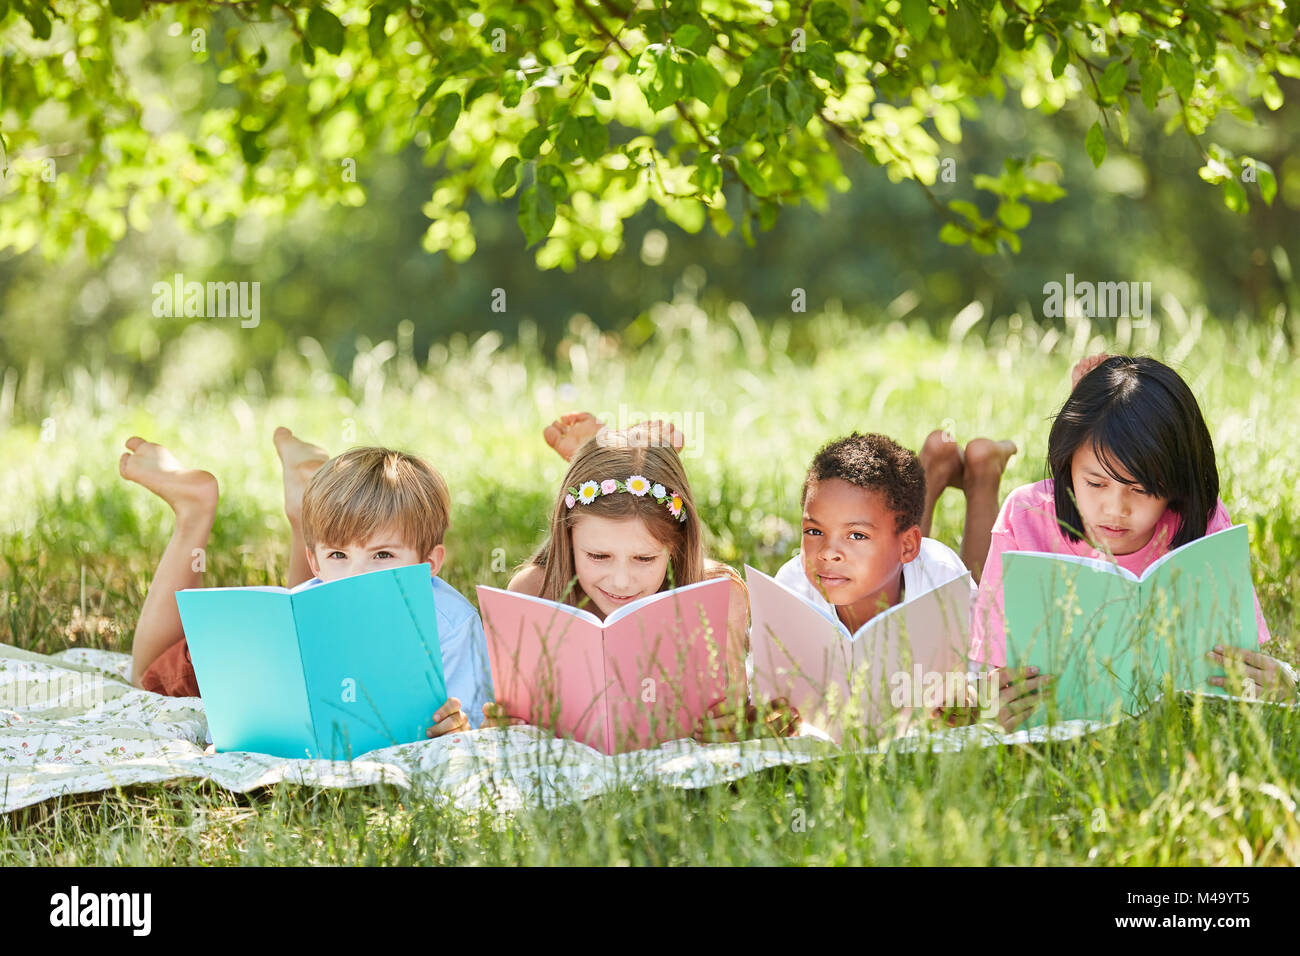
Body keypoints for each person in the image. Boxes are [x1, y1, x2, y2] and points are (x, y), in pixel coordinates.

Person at [970, 355, 1292, 732]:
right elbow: (988, 671)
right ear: (1066, 463)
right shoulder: (1026, 516)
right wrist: (992, 706)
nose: (1115, 509)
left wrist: (1280, 687)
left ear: (1176, 483)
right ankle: (982, 476)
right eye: (1095, 483)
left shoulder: (1201, 519)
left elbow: (1244, 661)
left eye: (1141, 489)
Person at [123, 434, 491, 739]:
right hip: (254, 647)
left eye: (382, 556)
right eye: (337, 556)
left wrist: (456, 726)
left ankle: (304, 506)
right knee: (145, 680)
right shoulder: (302, 604)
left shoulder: (454, 625)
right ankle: (194, 511)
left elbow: (469, 723)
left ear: (428, 564)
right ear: (314, 564)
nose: (355, 576)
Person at [483, 416, 799, 741]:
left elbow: (732, 716)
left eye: (644, 558)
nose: (621, 582)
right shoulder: (534, 592)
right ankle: (609, 453)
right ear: (567, 538)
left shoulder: (719, 597)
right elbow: (512, 718)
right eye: (598, 556)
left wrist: (735, 727)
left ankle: (623, 452)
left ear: (675, 547)